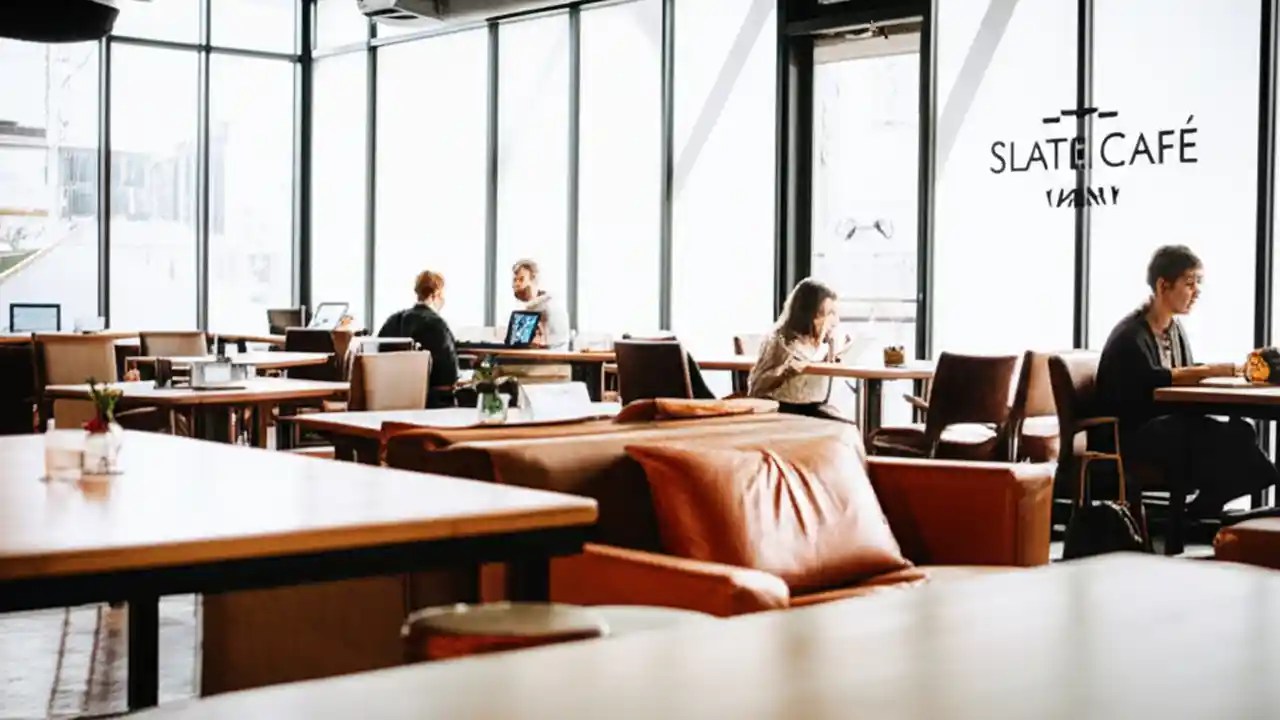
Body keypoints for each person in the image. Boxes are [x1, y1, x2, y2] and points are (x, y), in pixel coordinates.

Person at [1096, 244, 1277, 520]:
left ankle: (1204, 508)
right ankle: (1193, 517)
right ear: (1162, 285)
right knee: (1213, 438)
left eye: (1198, 284)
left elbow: (1182, 376)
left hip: (1168, 424)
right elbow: (1152, 383)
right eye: (1189, 283)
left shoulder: (1174, 330)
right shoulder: (1130, 337)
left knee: (1243, 432)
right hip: (1135, 434)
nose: (1196, 292)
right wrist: (1209, 370)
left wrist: (1216, 373)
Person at [747, 277, 855, 421]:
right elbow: (757, 386)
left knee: (847, 424)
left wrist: (833, 353)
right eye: (829, 314)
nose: (835, 322)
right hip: (786, 410)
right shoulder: (782, 342)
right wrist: (786, 371)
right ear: (810, 314)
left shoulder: (821, 345)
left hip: (813, 407)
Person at [377, 270, 459, 408]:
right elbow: (449, 377)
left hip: (389, 400)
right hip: (431, 403)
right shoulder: (437, 325)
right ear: (437, 294)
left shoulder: (393, 321)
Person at [511, 259, 570, 348]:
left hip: (551, 358)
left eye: (521, 279)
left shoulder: (550, 306)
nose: (516, 284)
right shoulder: (526, 308)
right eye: (515, 280)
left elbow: (559, 340)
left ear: (534, 280)